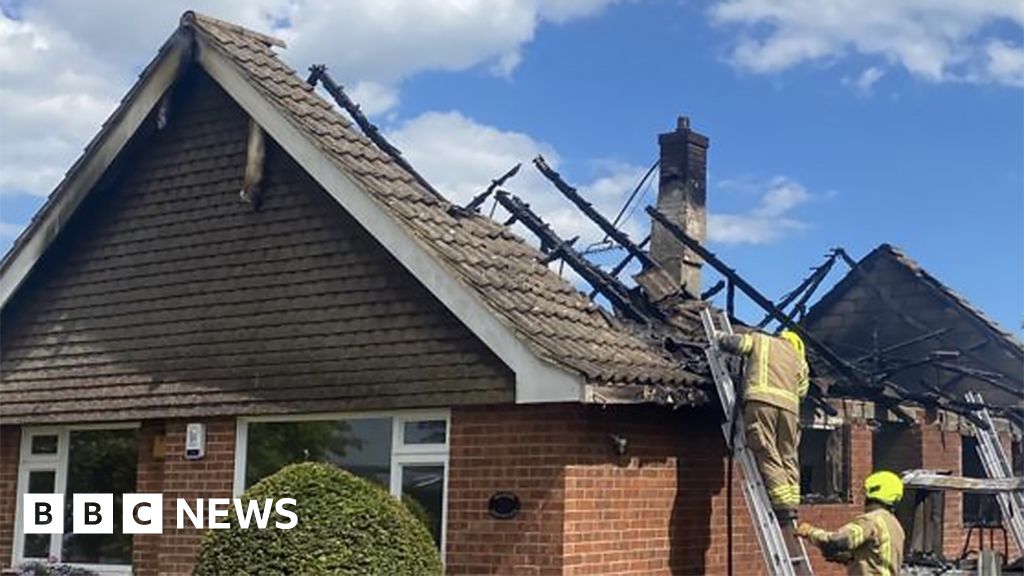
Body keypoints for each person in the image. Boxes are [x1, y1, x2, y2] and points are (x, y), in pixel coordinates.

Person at [718, 328, 809, 521]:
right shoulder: (799, 360)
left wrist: (719, 337)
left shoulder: (763, 341)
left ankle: (782, 504)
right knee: (788, 455)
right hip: (790, 411)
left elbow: (737, 344)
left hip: (761, 403)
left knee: (766, 449)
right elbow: (802, 391)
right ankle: (792, 503)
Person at [796, 471, 906, 575]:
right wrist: (850, 557)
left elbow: (838, 541)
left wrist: (810, 532)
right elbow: (878, 558)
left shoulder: (871, 521)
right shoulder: (894, 524)